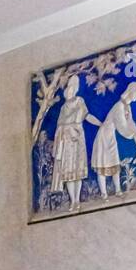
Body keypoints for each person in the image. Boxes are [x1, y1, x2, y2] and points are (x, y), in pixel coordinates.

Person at [91, 81, 136, 198]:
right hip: (104, 137)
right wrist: (134, 135)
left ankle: (118, 190)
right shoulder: (119, 106)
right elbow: (122, 128)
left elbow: (130, 123)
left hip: (111, 136)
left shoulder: (126, 106)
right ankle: (104, 193)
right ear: (131, 91)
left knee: (114, 163)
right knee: (103, 164)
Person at [50, 75, 94, 210]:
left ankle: (77, 200)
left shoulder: (80, 101)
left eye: (71, 88)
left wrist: (101, 124)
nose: (69, 91)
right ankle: (73, 200)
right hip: (67, 141)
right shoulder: (64, 107)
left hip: (78, 139)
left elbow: (87, 116)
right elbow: (59, 125)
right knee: (68, 171)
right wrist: (66, 129)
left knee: (78, 170)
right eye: (68, 89)